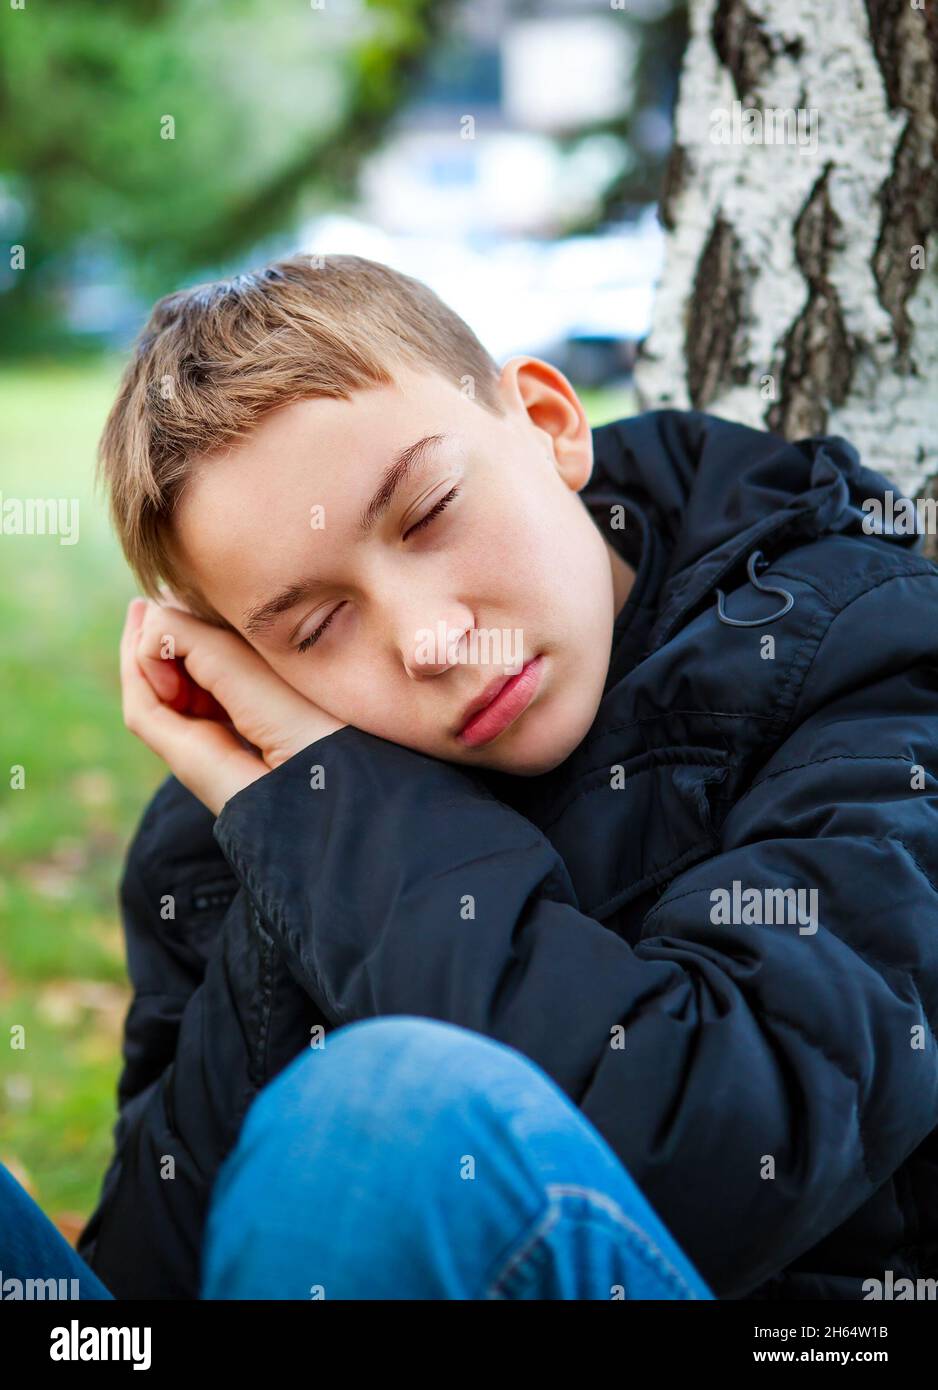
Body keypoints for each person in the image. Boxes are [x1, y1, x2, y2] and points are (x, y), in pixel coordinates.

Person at [64, 254, 938, 1299]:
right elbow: (148, 1285)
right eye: (316, 625)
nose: (430, 641)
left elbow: (711, 1153)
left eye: (429, 511)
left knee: (384, 1107)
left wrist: (346, 823)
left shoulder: (866, 657)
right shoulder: (245, 817)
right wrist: (304, 824)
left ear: (546, 421)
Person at [0, 1016, 714, 1300]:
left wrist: (349, 802)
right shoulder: (214, 813)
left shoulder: (816, 740)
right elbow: (160, 1259)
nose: (430, 676)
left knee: (394, 1106)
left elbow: (714, 1173)